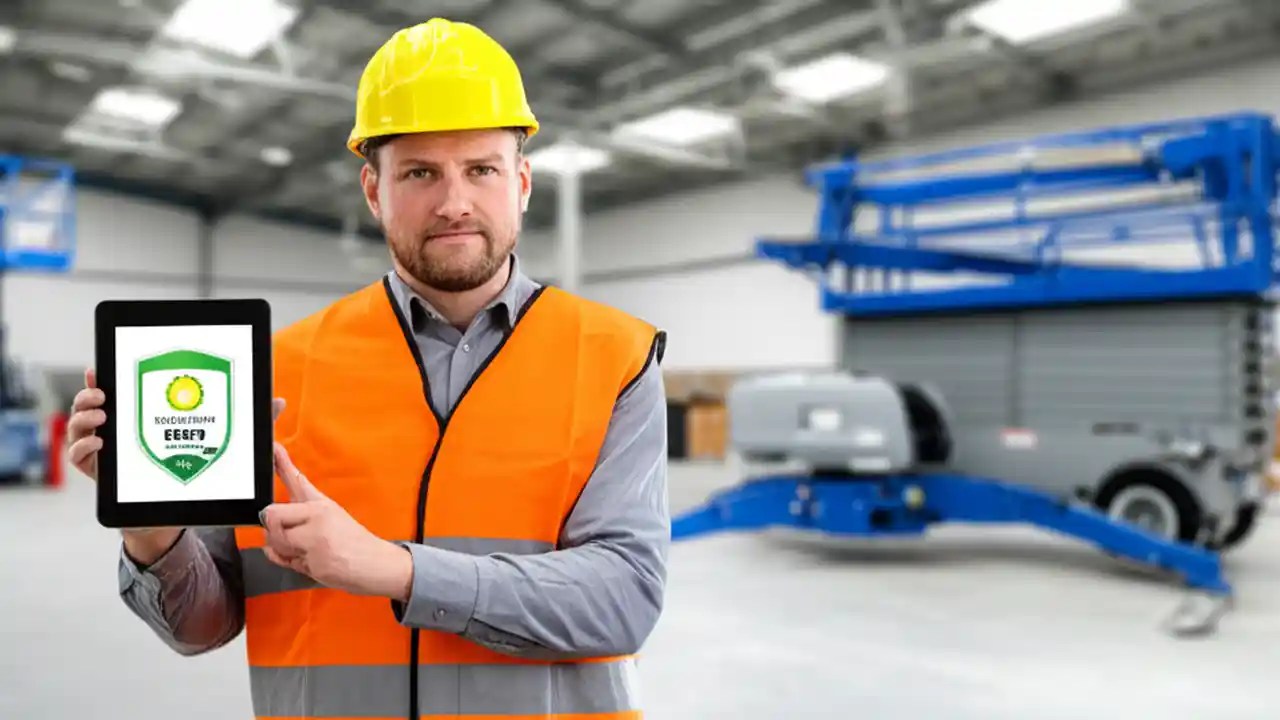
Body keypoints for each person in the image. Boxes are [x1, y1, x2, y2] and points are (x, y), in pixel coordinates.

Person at [66, 17, 670, 720]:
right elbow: (201, 625)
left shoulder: (614, 359)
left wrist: (393, 569)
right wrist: (149, 522)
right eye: (419, 172)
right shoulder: (277, 370)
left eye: (481, 169)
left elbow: (624, 601)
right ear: (373, 191)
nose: (453, 202)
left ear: (523, 183)